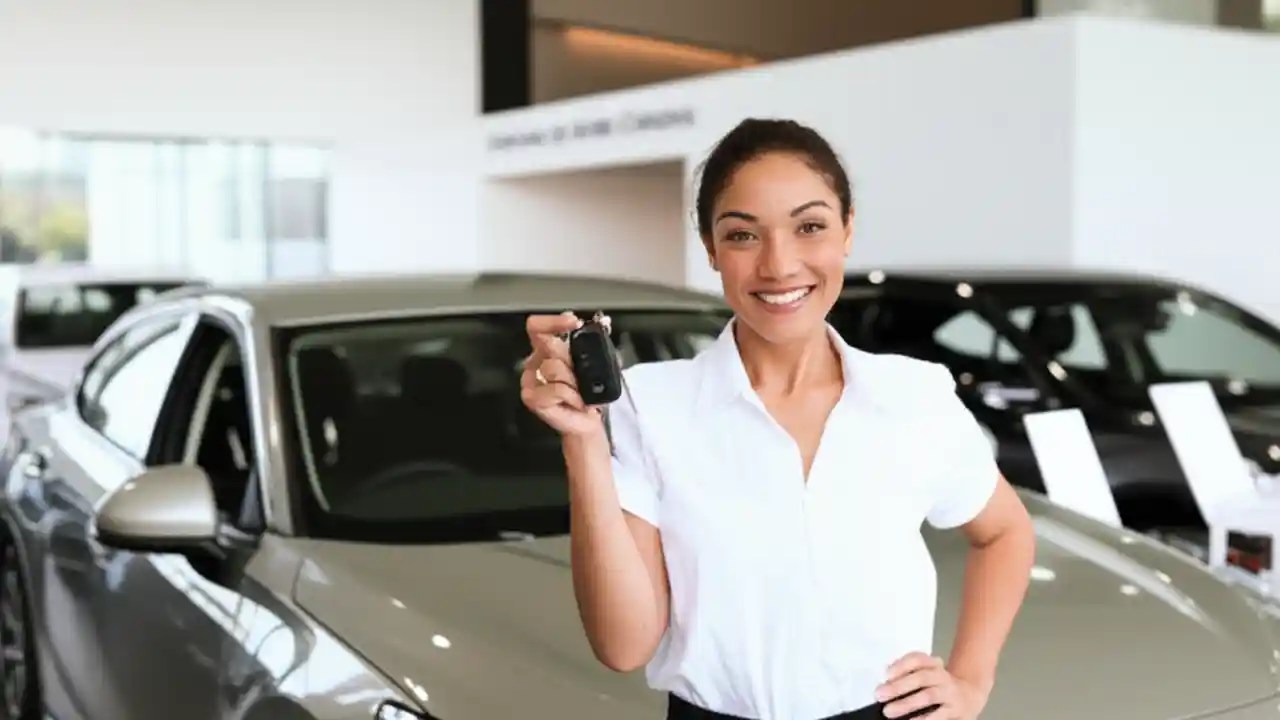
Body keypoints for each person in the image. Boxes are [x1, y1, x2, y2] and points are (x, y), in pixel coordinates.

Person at [520, 118, 1036, 720]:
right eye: (743, 236)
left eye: (810, 226)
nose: (779, 264)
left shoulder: (914, 396)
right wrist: (583, 442)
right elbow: (624, 644)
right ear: (711, 249)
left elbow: (1005, 532)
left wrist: (970, 681)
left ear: (847, 230)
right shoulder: (650, 406)